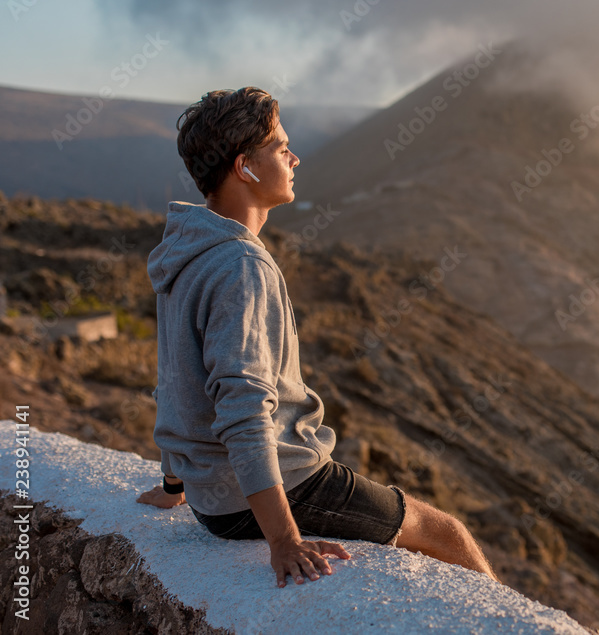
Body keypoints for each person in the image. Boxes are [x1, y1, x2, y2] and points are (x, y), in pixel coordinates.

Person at [136, 87, 497, 588]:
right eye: (281, 148)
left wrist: (176, 482)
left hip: (211, 501)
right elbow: (241, 409)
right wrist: (285, 542)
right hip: (272, 489)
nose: (295, 157)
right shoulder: (241, 265)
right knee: (447, 532)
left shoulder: (186, 251)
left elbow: (177, 377)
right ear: (245, 167)